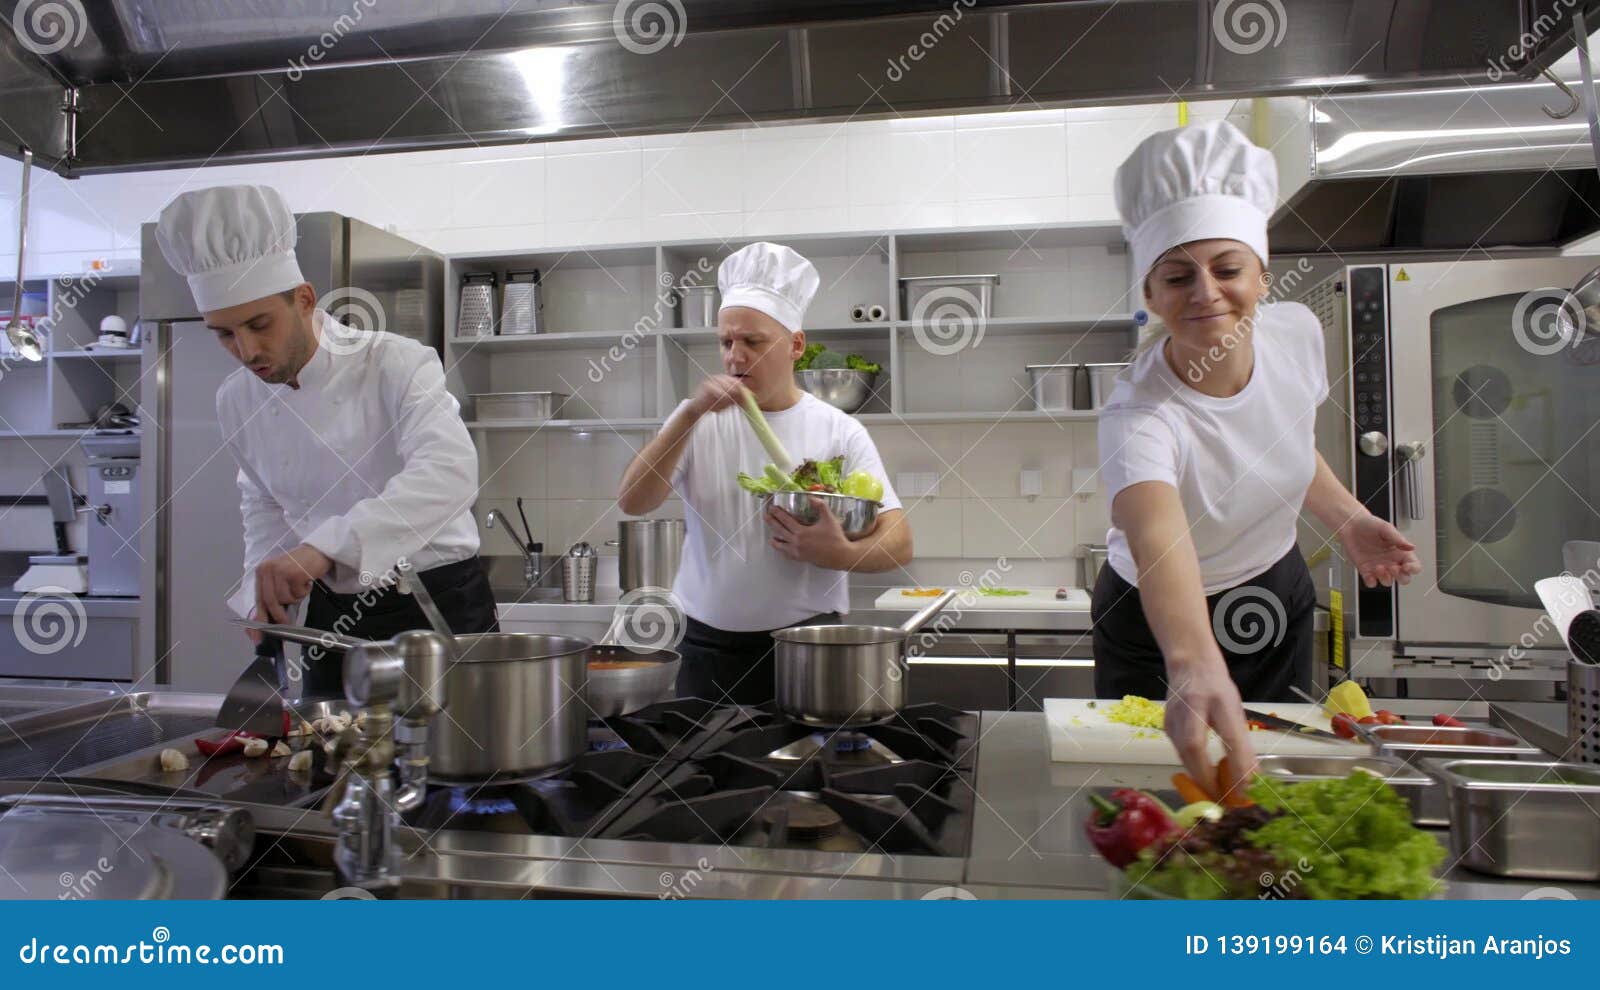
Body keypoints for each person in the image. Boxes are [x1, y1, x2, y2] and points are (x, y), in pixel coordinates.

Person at [1091, 121, 1421, 794]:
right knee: (1158, 791)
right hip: (1155, 617)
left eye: (1228, 268)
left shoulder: (1296, 335)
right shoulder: (1138, 415)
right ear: (1151, 297)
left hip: (1272, 589)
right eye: (1178, 276)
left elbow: (1286, 442)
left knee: (1274, 787)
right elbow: (1157, 537)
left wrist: (1348, 519)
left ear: (1263, 277)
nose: (1206, 291)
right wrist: (1192, 659)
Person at [155, 184, 495, 696]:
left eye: (258, 324)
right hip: (332, 617)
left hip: (433, 604)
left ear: (305, 299)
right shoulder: (236, 400)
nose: (246, 350)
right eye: (224, 334)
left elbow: (447, 475)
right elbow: (264, 499)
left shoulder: (394, 362)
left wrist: (322, 549)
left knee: (457, 766)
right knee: (321, 762)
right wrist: (260, 588)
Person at [617, 242, 912, 705]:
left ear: (796, 345)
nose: (734, 356)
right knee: (706, 775)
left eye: (753, 341)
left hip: (808, 647)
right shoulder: (695, 420)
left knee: (803, 772)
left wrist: (839, 553)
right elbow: (633, 501)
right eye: (726, 341)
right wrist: (689, 414)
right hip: (706, 650)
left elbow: (899, 543)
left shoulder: (839, 430)